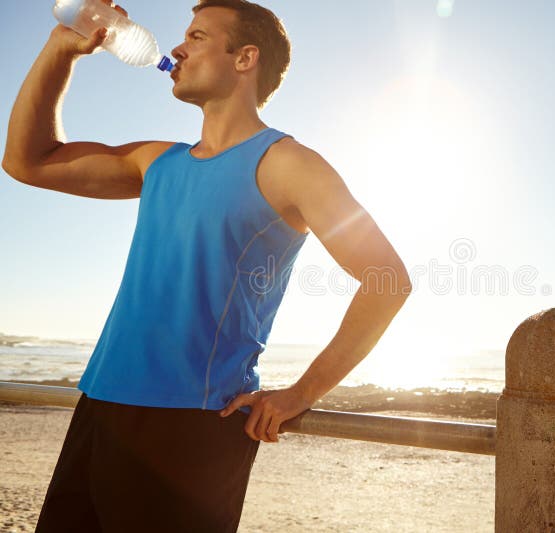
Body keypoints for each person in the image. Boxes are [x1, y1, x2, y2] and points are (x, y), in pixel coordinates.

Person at [3, 0, 412, 531]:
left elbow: (387, 281)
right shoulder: (156, 161)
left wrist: (301, 393)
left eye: (196, 36)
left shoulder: (289, 165)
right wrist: (62, 50)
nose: (176, 48)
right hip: (99, 404)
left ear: (244, 59)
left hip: (192, 429)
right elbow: (25, 161)